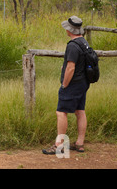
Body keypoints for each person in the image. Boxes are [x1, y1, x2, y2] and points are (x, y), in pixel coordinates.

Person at [42, 16, 90, 155]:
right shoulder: (84, 43)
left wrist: (64, 84)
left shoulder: (73, 46)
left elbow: (70, 67)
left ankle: (59, 145)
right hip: (83, 83)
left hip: (73, 84)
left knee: (61, 112)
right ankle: (80, 143)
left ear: (70, 30)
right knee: (80, 111)